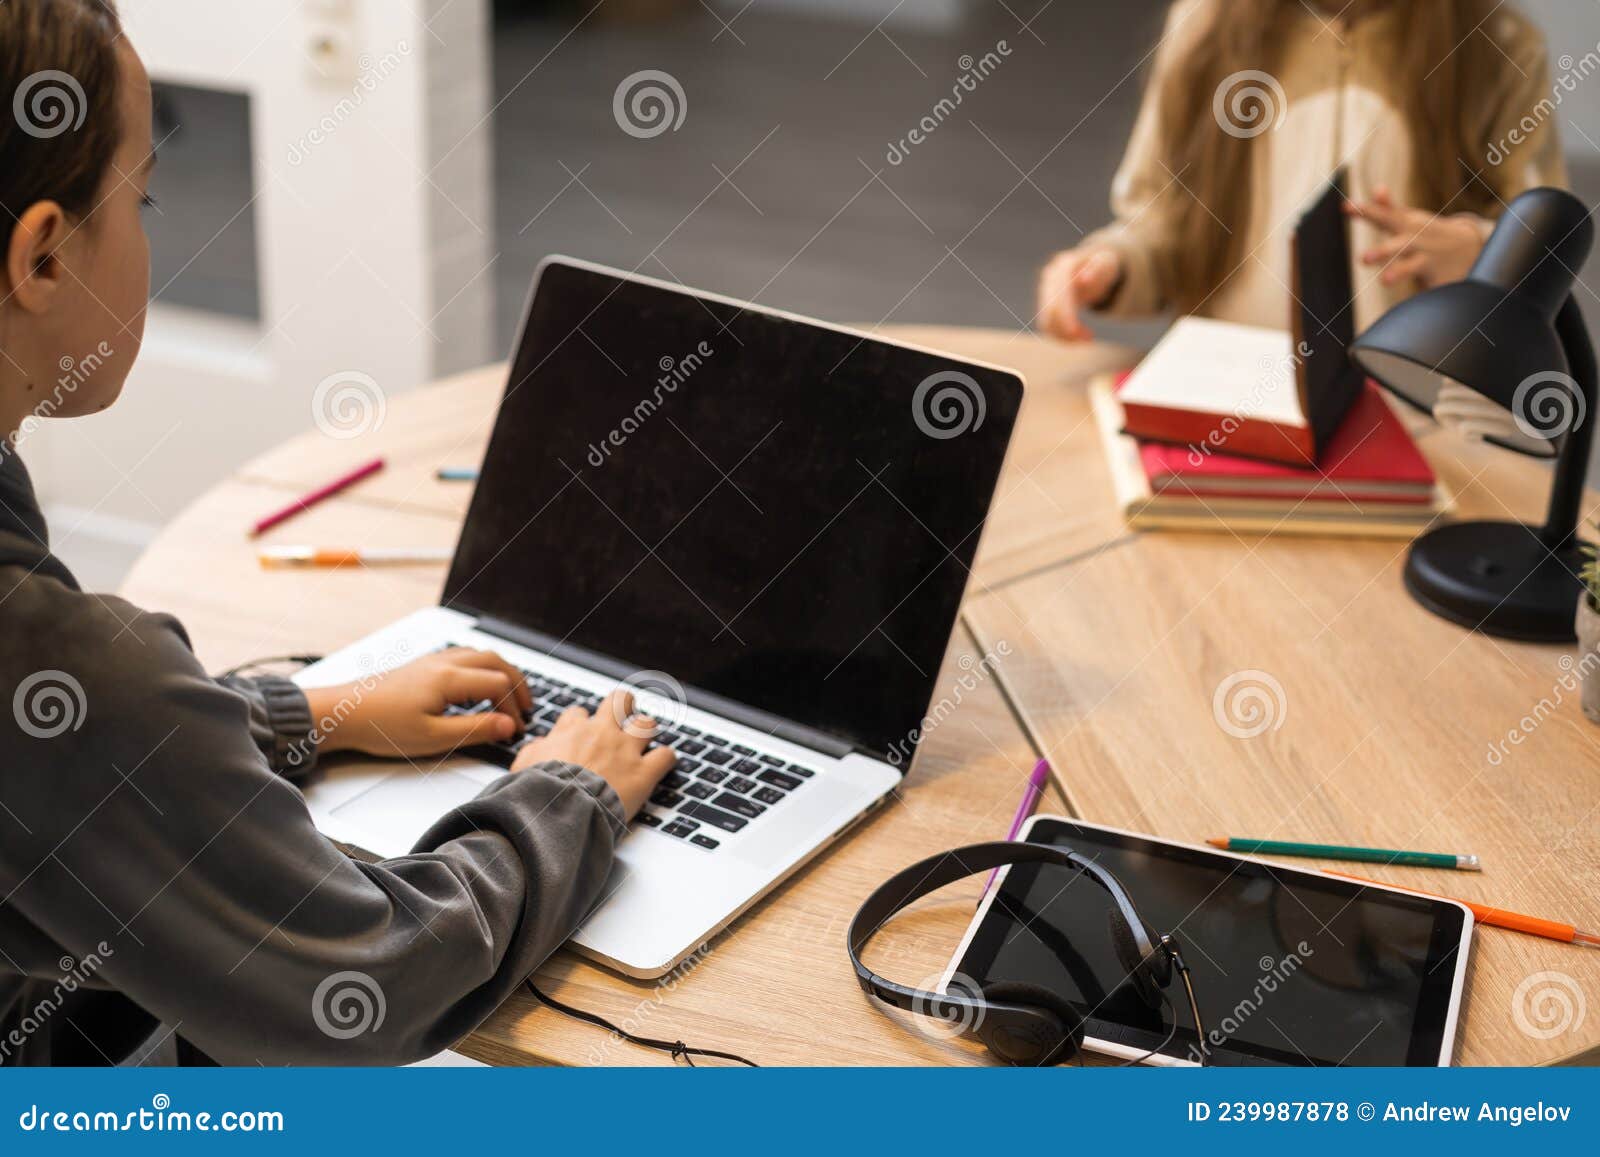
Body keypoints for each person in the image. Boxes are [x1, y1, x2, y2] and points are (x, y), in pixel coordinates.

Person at [0, 0, 673, 1065]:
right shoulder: (49, 652)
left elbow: (74, 771)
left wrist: (312, 711)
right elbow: (376, 976)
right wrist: (568, 790)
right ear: (40, 256)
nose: (148, 227)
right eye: (142, 195)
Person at [1037, 0, 1567, 342]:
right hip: (1224, 405)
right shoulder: (1204, 24)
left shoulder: (1501, 45)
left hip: (1415, 413)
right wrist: (1108, 268)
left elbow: (1544, 246)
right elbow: (1159, 226)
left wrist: (1479, 252)